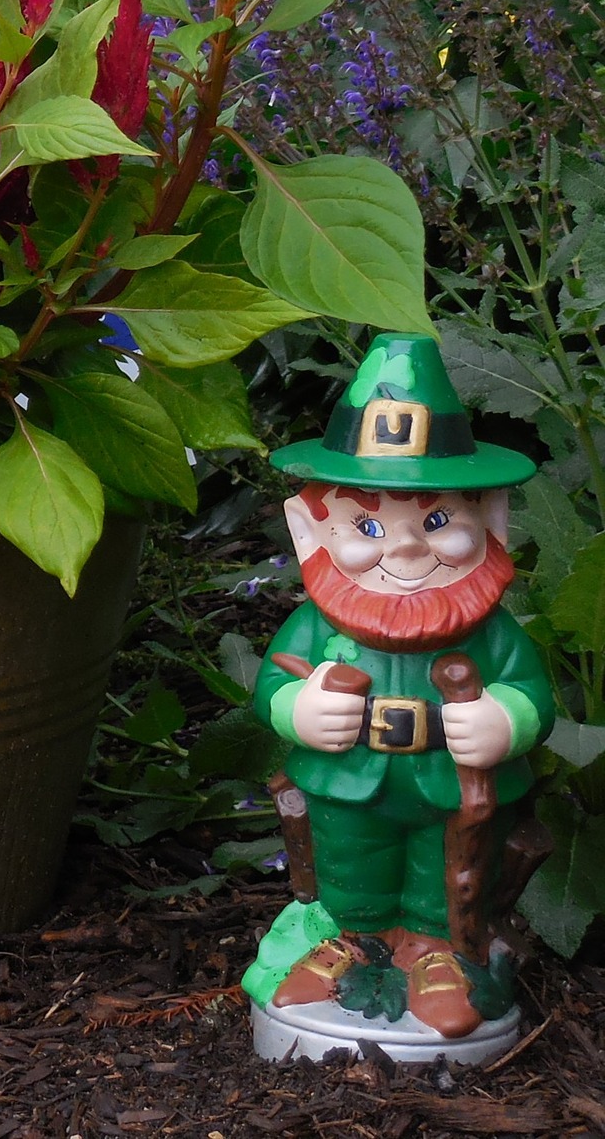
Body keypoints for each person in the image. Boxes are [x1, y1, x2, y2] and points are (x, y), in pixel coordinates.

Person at [248, 333, 552, 1041]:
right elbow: (270, 685)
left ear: (493, 519)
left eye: (438, 519)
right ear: (310, 532)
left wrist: (505, 718)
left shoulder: (492, 633)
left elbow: (533, 691)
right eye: (369, 523)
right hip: (348, 784)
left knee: (440, 876)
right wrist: (299, 706)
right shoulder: (315, 625)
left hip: (455, 795)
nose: (407, 548)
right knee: (350, 861)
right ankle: (353, 938)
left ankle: (436, 949)